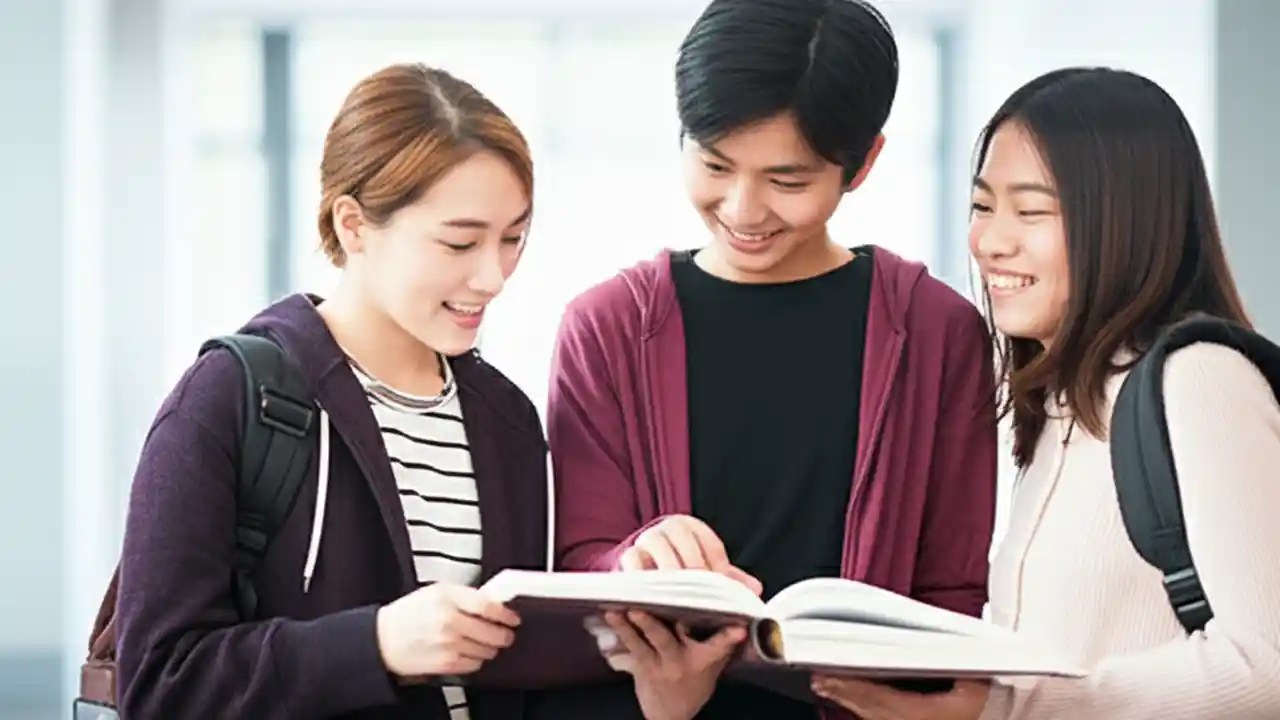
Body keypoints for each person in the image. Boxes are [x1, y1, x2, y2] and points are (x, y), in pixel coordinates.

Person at [540, 0, 998, 717]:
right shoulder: (606, 327)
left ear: (864, 162)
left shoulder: (939, 333)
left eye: (787, 181)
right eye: (716, 164)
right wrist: (636, 557)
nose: (744, 210)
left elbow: (953, 592)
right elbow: (580, 561)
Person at [812, 67, 1280, 719]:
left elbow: (1268, 668)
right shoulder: (1059, 405)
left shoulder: (1199, 379)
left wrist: (1010, 708)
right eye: (982, 206)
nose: (990, 242)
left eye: (1030, 211)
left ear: (1126, 220)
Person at [115, 63, 552, 719]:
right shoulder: (228, 399)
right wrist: (374, 645)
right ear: (352, 225)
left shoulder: (508, 420)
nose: (492, 276)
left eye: (513, 238)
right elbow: (159, 683)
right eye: (460, 242)